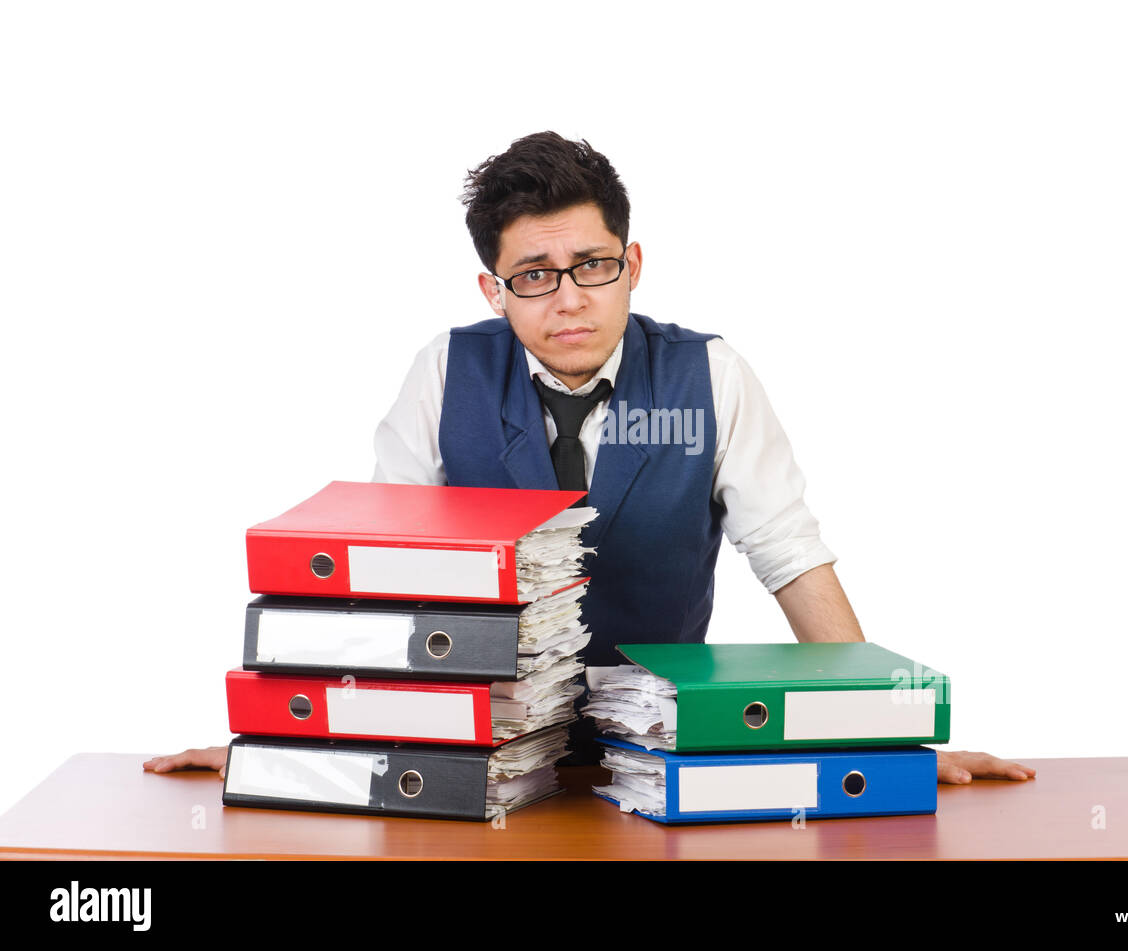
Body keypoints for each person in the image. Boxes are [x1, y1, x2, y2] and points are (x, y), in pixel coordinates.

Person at [145, 132, 1033, 785]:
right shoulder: (443, 371)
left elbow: (793, 556)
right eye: (534, 274)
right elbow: (379, 584)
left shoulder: (710, 373)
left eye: (593, 265)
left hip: (659, 754)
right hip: (473, 749)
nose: (568, 297)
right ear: (493, 290)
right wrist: (290, 737)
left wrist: (880, 730)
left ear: (634, 262)